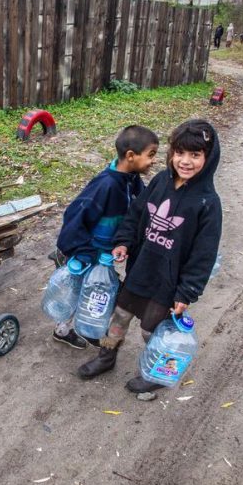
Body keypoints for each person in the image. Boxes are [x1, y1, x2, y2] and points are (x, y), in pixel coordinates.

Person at [77, 119, 222, 396]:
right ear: (172, 153)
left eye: (195, 155)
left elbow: (204, 255)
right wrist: (123, 241)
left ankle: (156, 371)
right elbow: (135, 214)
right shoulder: (159, 181)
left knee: (150, 332)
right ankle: (106, 357)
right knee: (118, 318)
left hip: (167, 284)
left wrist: (187, 292)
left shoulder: (208, 204)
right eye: (180, 153)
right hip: (140, 270)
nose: (185, 161)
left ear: (209, 157)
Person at [49, 126, 160, 349]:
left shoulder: (130, 178)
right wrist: (83, 252)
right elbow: (74, 216)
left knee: (91, 291)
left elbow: (142, 204)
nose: (153, 161)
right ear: (131, 156)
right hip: (91, 254)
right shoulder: (106, 185)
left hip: (105, 253)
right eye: (151, 155)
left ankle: (77, 327)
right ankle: (70, 329)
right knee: (87, 291)